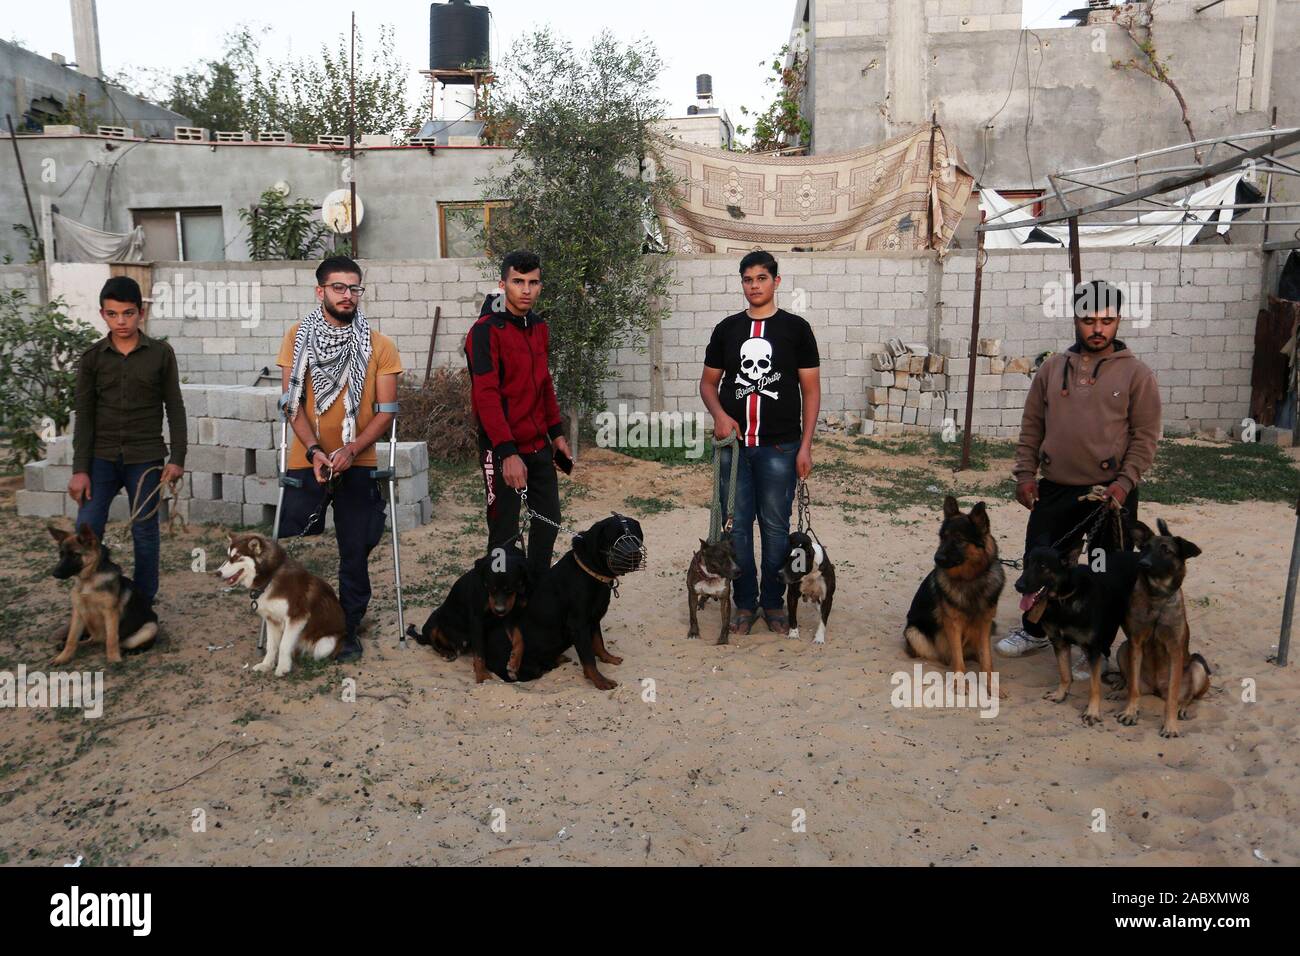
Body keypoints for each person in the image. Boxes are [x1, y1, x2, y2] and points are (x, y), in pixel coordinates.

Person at [998, 279, 1162, 676]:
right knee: (1042, 562)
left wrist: (1124, 484)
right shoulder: (1053, 369)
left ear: (1119, 321)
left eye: (1106, 320)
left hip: (1110, 497)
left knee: (1104, 571)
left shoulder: (1137, 375)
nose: (1097, 328)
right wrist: (1025, 474)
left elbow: (1145, 437)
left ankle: (1099, 647)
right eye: (1089, 319)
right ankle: (1035, 630)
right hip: (1055, 489)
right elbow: (1032, 425)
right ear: (1076, 319)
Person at [275, 256, 403, 663]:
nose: (348, 296)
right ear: (321, 292)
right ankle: (291, 616)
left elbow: (386, 410)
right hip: (307, 458)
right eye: (339, 288)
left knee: (357, 542)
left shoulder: (380, 345)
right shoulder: (297, 338)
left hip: (357, 460)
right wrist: (315, 452)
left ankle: (346, 623)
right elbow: (290, 404)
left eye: (354, 288)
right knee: (293, 540)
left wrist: (350, 450)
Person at [699, 250, 821, 635]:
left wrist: (806, 445)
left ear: (776, 282)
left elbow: (811, 391)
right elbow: (707, 383)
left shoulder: (796, 330)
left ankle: (773, 603)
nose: (754, 286)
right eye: (748, 280)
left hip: (780, 448)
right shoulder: (727, 330)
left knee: (774, 527)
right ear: (742, 284)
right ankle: (744, 603)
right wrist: (719, 415)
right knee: (736, 530)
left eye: (761, 279)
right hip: (734, 451)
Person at [68, 276, 186, 608]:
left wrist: (177, 458)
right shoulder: (92, 358)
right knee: (86, 531)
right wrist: (80, 470)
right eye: (113, 314)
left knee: (145, 532)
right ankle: (90, 604)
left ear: (141, 313)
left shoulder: (161, 354)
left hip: (145, 458)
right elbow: (85, 415)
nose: (121, 321)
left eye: (128, 313)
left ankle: (141, 605)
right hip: (100, 459)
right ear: (103, 314)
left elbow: (174, 406)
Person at [466, 249, 571, 583]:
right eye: (518, 282)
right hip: (501, 449)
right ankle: (500, 598)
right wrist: (507, 452)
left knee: (549, 520)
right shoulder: (484, 331)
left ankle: (535, 588)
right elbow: (486, 395)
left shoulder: (539, 328)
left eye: (533, 282)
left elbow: (544, 385)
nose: (526, 290)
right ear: (502, 284)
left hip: (538, 445)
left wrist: (557, 435)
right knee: (504, 533)